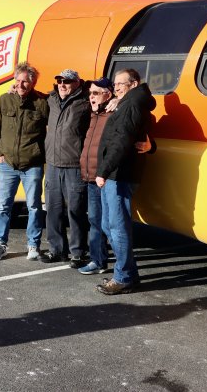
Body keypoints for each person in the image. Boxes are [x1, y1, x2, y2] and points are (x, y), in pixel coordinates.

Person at [95, 68, 156, 295]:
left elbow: (121, 141)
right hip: (114, 174)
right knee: (108, 225)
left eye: (121, 83)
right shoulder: (128, 103)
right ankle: (128, 272)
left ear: (133, 84)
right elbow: (140, 137)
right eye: (115, 83)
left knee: (117, 227)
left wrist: (103, 170)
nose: (117, 87)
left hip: (119, 175)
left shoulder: (131, 104)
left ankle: (123, 277)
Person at [0, 62, 50, 261]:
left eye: (26, 82)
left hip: (32, 164)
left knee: (34, 206)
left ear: (33, 83)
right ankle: (0, 245)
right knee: (3, 206)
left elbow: (54, 126)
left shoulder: (41, 103)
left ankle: (33, 245)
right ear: (14, 80)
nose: (21, 85)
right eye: (19, 80)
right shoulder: (4, 100)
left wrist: (43, 154)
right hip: (7, 165)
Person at [41, 68, 90, 268]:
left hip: (73, 166)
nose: (62, 84)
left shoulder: (85, 103)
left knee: (76, 210)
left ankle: (78, 252)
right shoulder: (51, 99)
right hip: (52, 164)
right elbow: (33, 97)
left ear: (77, 83)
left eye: (67, 81)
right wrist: (13, 89)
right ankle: (57, 250)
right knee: (53, 210)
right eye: (60, 80)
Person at [77, 77, 116, 275]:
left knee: (110, 224)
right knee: (95, 220)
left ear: (108, 95)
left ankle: (121, 265)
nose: (91, 96)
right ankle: (98, 260)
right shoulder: (92, 115)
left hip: (106, 178)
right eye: (90, 93)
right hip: (91, 177)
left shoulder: (113, 113)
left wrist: (119, 101)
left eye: (95, 93)